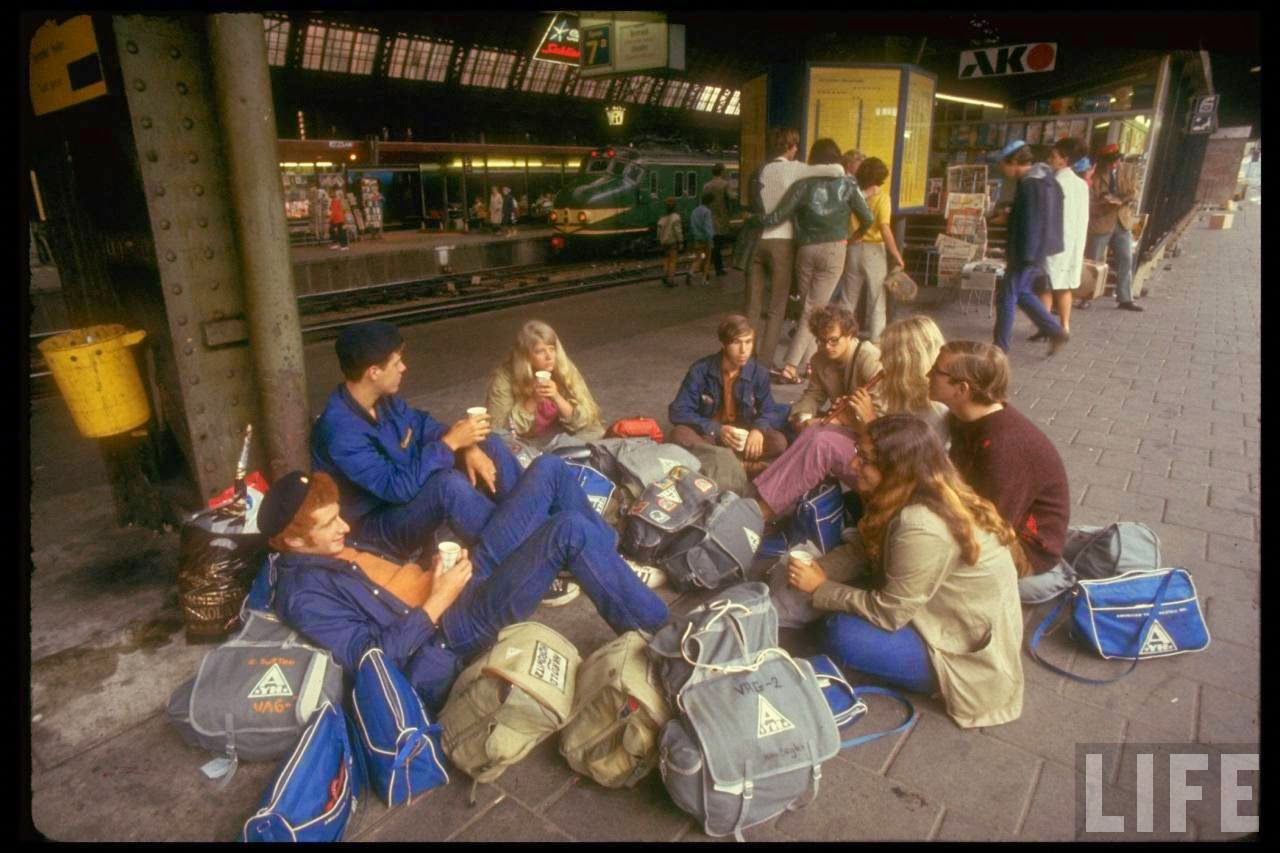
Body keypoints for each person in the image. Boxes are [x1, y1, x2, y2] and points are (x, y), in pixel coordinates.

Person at [263, 465, 668, 713]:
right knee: (568, 531)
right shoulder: (303, 596)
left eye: (339, 518)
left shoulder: (325, 549)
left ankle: (609, 560)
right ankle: (668, 646)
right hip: (451, 631)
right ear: (296, 541)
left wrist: (435, 571)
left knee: (549, 470)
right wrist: (439, 598)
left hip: (454, 582)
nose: (345, 527)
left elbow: (385, 579)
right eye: (330, 523)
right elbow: (374, 658)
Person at [784, 414, 1026, 729]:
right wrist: (820, 569)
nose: (854, 464)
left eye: (865, 459)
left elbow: (889, 613)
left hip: (966, 654)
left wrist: (820, 588)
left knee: (839, 632)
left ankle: (936, 681)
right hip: (948, 615)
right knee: (839, 605)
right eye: (858, 451)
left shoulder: (921, 524)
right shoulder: (915, 489)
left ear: (897, 469)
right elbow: (863, 550)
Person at [311, 321, 524, 563]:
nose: (404, 367)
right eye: (396, 362)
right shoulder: (341, 431)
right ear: (373, 372)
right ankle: (522, 557)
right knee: (446, 486)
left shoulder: (383, 400)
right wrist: (450, 444)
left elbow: (423, 426)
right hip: (373, 527)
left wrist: (467, 445)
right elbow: (395, 488)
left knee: (489, 444)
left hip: (402, 496)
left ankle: (529, 526)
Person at [927, 341, 1073, 603]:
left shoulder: (1004, 446)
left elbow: (990, 527)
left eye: (937, 371)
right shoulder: (962, 418)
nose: (928, 374)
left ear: (962, 389)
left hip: (1027, 549)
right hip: (982, 517)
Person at [755, 138, 874, 384]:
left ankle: (810, 364)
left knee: (809, 307)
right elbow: (868, 218)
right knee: (813, 308)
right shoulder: (848, 184)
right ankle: (791, 366)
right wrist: (853, 237)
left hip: (805, 250)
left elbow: (778, 214)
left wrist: (755, 220)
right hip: (834, 250)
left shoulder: (803, 184)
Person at [749, 305, 883, 523]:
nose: (826, 347)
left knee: (819, 439)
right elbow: (812, 395)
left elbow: (881, 419)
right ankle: (767, 499)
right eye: (821, 341)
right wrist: (802, 417)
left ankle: (765, 507)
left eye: (833, 340)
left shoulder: (870, 359)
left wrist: (837, 420)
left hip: (870, 440)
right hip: (845, 427)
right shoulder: (820, 359)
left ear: (850, 335)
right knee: (805, 428)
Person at [745, 127, 845, 373]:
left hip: (757, 240)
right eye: (795, 146)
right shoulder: (798, 168)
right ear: (791, 147)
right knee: (777, 306)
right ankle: (765, 363)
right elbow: (837, 170)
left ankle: (744, 357)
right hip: (782, 242)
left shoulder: (761, 169)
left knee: (752, 305)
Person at [668, 314, 790, 475]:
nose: (744, 350)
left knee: (778, 442)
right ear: (723, 344)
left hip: (741, 437)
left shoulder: (758, 372)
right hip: (709, 435)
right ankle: (742, 465)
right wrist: (717, 429)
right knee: (679, 434)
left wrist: (758, 430)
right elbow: (678, 411)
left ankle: (721, 462)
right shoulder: (700, 370)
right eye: (736, 342)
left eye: (748, 342)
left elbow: (769, 409)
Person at [992, 139, 1068, 354]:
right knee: (1023, 292)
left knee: (1006, 297)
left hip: (1027, 251)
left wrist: (1023, 256)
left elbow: (1032, 221)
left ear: (1014, 162)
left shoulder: (1030, 184)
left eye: (1003, 166)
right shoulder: (1045, 179)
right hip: (1038, 249)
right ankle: (1055, 331)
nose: (1002, 171)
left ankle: (999, 350)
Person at [486, 320, 605, 446]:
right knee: (500, 446)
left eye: (552, 349)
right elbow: (499, 432)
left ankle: (552, 455)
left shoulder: (561, 367)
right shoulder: (504, 379)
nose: (549, 356)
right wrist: (533, 400)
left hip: (557, 434)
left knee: (596, 431)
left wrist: (556, 397)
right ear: (525, 356)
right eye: (540, 351)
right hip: (524, 441)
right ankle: (552, 457)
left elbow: (584, 420)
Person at [836, 157, 906, 345]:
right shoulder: (882, 198)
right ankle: (876, 342)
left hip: (853, 248)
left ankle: (842, 336)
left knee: (848, 298)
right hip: (874, 251)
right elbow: (884, 228)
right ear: (881, 177)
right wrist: (896, 254)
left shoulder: (853, 195)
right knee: (876, 300)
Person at [1037, 137, 1090, 338]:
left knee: (1046, 287)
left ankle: (1045, 328)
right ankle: (1065, 325)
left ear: (1064, 160)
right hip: (1074, 243)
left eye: (1053, 156)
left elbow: (1046, 215)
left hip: (1054, 242)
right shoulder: (1082, 185)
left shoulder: (1053, 183)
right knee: (1065, 286)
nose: (1050, 159)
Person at [1086, 143, 1143, 312]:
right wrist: (1104, 203)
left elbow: (1135, 191)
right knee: (1093, 261)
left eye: (1116, 161)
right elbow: (1089, 200)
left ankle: (1125, 298)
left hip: (1121, 220)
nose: (1114, 165)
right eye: (1110, 162)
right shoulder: (1095, 173)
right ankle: (1086, 295)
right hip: (1101, 219)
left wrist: (1122, 199)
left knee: (1126, 258)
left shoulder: (1129, 170)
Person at [702, 163, 736, 277]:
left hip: (709, 218)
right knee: (717, 245)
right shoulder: (725, 185)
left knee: (712, 245)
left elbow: (704, 202)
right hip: (721, 218)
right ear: (722, 172)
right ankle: (718, 269)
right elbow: (731, 197)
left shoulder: (706, 186)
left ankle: (707, 268)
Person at [689, 191, 716, 287]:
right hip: (706, 239)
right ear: (710, 202)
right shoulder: (707, 212)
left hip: (697, 238)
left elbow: (692, 225)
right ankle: (704, 280)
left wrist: (696, 235)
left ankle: (691, 272)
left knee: (698, 257)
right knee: (707, 259)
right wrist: (711, 237)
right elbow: (708, 227)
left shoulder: (694, 211)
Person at [656, 197, 683, 287]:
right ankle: (671, 279)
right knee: (673, 261)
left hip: (664, 242)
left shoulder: (662, 218)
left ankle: (664, 275)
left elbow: (658, 232)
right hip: (672, 242)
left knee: (666, 259)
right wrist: (680, 241)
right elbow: (678, 231)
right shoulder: (676, 217)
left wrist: (659, 239)